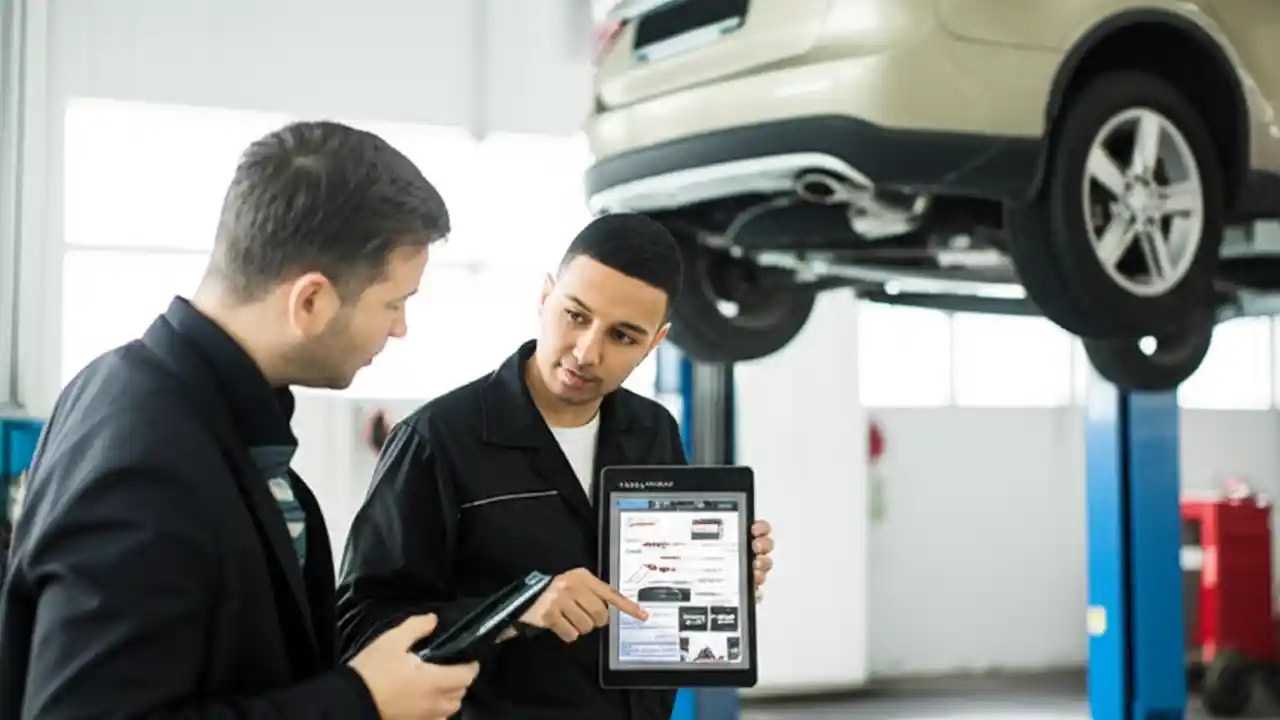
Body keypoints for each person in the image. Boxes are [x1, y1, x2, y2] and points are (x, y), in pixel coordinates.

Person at [0, 121, 481, 719]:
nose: (400, 328)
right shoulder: (148, 464)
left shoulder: (152, 393)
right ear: (310, 302)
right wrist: (359, 701)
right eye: (394, 303)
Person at [336, 213, 776, 719]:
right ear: (545, 297)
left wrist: (716, 574)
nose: (588, 352)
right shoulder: (438, 440)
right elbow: (361, 626)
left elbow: (653, 592)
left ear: (656, 342)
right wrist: (515, 609)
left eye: (624, 336)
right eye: (576, 316)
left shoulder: (652, 431)